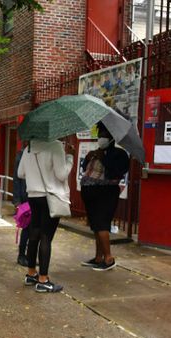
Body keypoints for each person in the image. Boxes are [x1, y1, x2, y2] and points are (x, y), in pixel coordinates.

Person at [17, 139, 74, 293]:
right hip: (49, 197)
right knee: (46, 237)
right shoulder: (55, 145)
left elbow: (20, 173)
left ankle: (31, 273)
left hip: (33, 196)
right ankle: (43, 279)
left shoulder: (29, 147)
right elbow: (61, 175)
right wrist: (69, 158)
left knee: (34, 234)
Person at [80, 122, 130, 271]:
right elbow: (85, 169)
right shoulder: (96, 151)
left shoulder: (119, 154)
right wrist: (88, 158)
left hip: (106, 193)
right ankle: (98, 257)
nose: (101, 138)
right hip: (90, 193)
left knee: (102, 224)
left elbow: (116, 172)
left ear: (112, 138)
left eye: (104, 136)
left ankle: (108, 258)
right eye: (99, 135)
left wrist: (104, 158)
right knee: (95, 226)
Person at [12, 142, 29, 266]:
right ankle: (22, 255)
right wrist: (17, 200)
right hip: (26, 195)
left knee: (32, 228)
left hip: (32, 193)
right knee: (27, 227)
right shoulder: (22, 155)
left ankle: (28, 255)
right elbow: (17, 179)